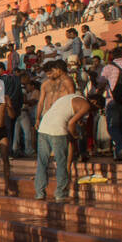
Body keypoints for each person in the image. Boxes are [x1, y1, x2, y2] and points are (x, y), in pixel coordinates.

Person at [35, 62, 92, 204]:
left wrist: (37, 119)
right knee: (60, 161)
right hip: (58, 127)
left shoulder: (65, 87)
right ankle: (60, 193)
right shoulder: (84, 104)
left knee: (42, 162)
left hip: (44, 125)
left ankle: (39, 193)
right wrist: (75, 135)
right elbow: (72, 122)